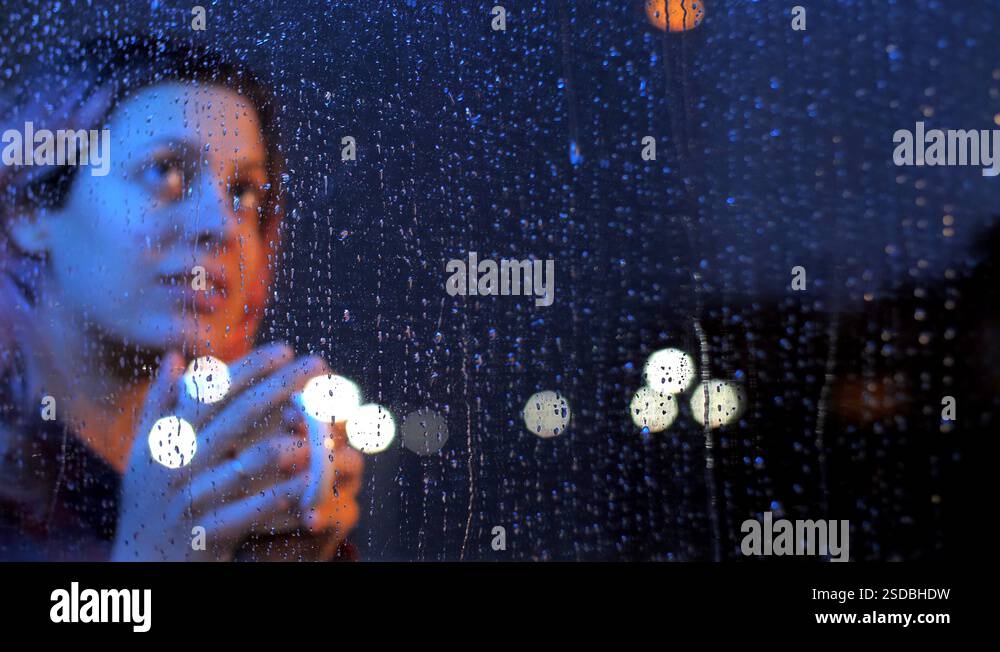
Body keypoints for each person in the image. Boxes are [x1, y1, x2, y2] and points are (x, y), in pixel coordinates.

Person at [0, 35, 363, 561]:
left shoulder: (248, 493)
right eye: (165, 171)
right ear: (31, 211)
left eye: (245, 192)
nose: (224, 225)